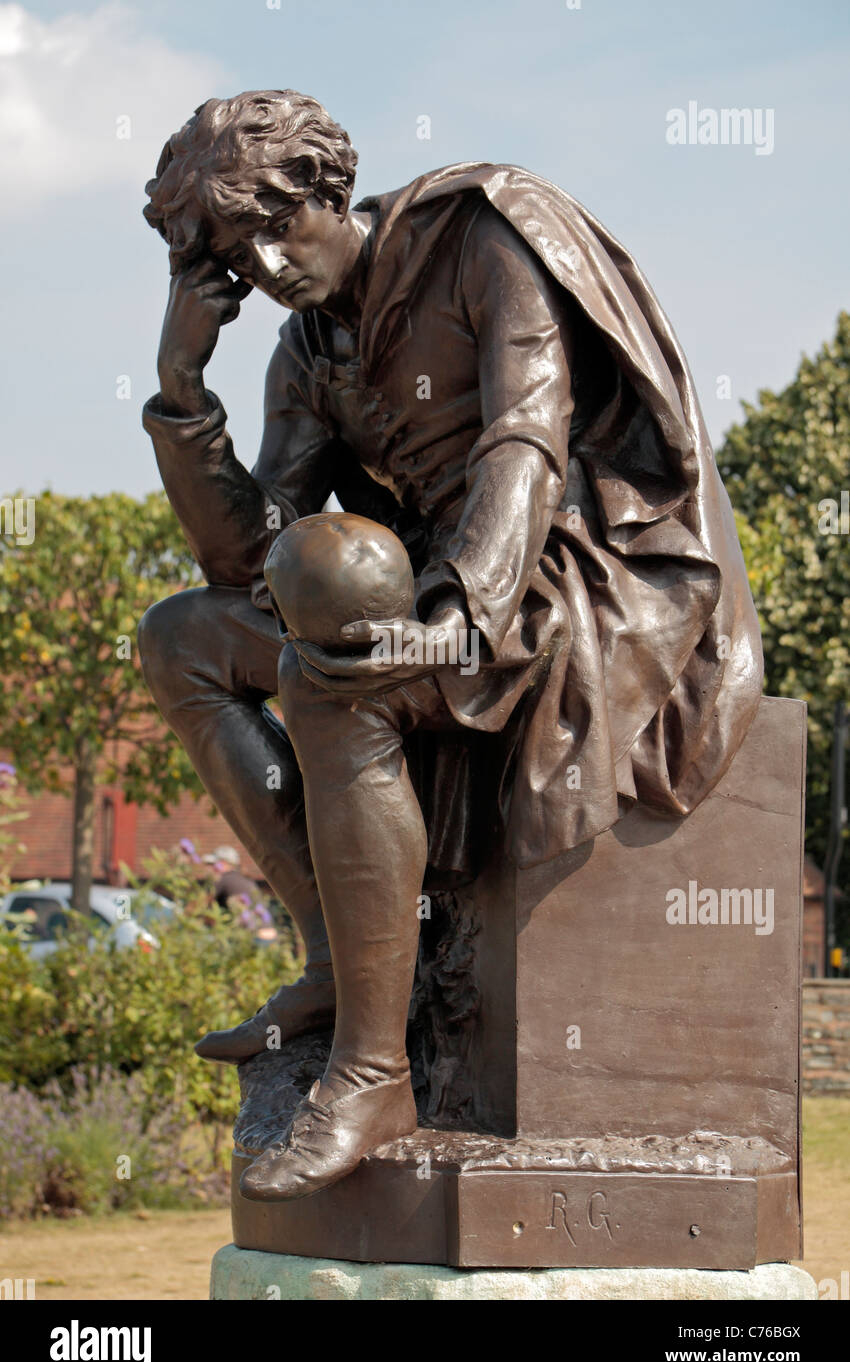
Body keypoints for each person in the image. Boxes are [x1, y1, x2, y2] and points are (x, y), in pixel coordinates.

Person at [137, 90, 762, 1200]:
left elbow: (526, 435)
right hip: (444, 587)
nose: (271, 262)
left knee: (330, 679)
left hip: (572, 571)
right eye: (239, 254)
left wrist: (453, 624)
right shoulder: (305, 348)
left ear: (329, 190)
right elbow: (255, 562)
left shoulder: (479, 231)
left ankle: (374, 1070)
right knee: (181, 638)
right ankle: (337, 962)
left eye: (279, 225)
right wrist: (183, 390)